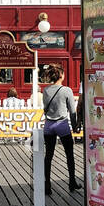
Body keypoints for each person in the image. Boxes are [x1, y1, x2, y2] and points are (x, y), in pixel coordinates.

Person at [40, 66, 80, 195]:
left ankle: (47, 185)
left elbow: (45, 108)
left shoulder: (45, 90)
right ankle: (72, 182)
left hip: (49, 125)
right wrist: (74, 126)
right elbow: (72, 111)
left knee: (49, 155)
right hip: (62, 124)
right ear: (61, 75)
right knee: (69, 154)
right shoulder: (66, 90)